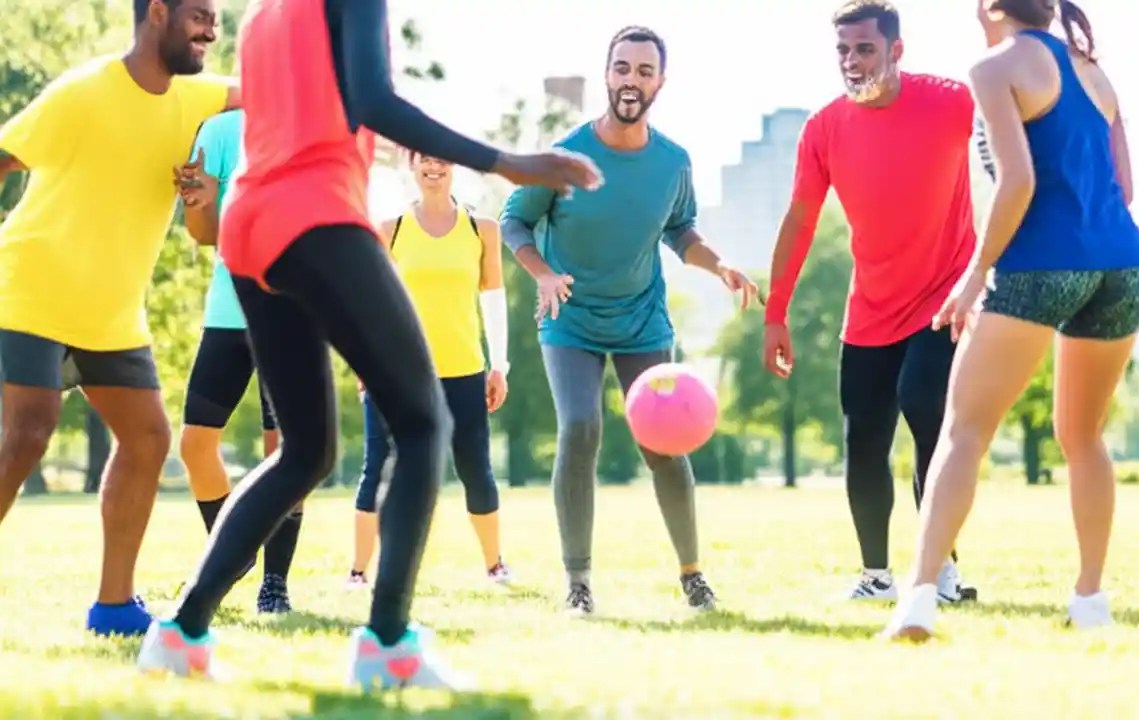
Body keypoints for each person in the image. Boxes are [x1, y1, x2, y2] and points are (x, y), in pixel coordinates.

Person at [135, 0, 601, 688]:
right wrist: (507, 162)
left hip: (251, 226)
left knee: (306, 450)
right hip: (315, 216)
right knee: (422, 424)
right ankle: (386, 644)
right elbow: (375, 100)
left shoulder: (262, 14)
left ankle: (181, 632)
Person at [883, 0, 1139, 640]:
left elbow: (1018, 181)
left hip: (1038, 265)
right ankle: (1090, 601)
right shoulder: (1093, 70)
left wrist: (975, 276)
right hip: (1122, 263)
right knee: (1083, 436)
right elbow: (1125, 188)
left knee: (964, 430)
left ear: (988, 5)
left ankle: (917, 600)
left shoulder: (994, 67)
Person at [501, 26, 758, 617]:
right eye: (623, 68)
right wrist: (542, 274)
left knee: (664, 442)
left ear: (659, 83)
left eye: (644, 71)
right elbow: (514, 222)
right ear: (607, 73)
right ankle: (579, 581)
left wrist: (720, 267)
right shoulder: (566, 157)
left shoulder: (672, 161)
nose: (631, 81)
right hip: (569, 318)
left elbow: (680, 229)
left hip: (642, 320)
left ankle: (693, 576)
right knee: (581, 427)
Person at [0, 0, 236, 637]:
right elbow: (4, 156)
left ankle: (113, 606)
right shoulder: (80, 95)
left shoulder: (197, 98)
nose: (211, 28)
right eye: (199, 15)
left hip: (111, 311)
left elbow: (271, 93)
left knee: (149, 439)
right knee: (28, 432)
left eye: (216, 17)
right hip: (33, 288)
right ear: (156, 11)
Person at [762, 0, 979, 604]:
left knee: (925, 407)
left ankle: (941, 568)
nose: (853, 62)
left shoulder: (953, 101)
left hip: (944, 298)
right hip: (871, 309)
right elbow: (801, 219)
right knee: (863, 441)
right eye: (843, 51)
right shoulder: (825, 127)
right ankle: (877, 575)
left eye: (864, 49)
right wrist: (775, 312)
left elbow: (1023, 130)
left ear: (896, 50)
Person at [348, 151, 512, 589]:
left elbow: (493, 301)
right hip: (397, 371)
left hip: (464, 370)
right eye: (424, 160)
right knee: (378, 465)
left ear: (453, 166)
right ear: (412, 167)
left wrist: (500, 367)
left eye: (441, 159)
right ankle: (359, 571)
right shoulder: (391, 229)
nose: (433, 167)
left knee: (474, 466)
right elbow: (373, 302)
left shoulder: (483, 230)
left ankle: (495, 565)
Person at [179, 108, 302, 614]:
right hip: (229, 310)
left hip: (292, 313)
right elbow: (202, 232)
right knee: (194, 445)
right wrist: (198, 202)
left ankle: (275, 583)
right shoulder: (221, 130)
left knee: (287, 452)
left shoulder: (311, 125)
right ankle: (234, 553)